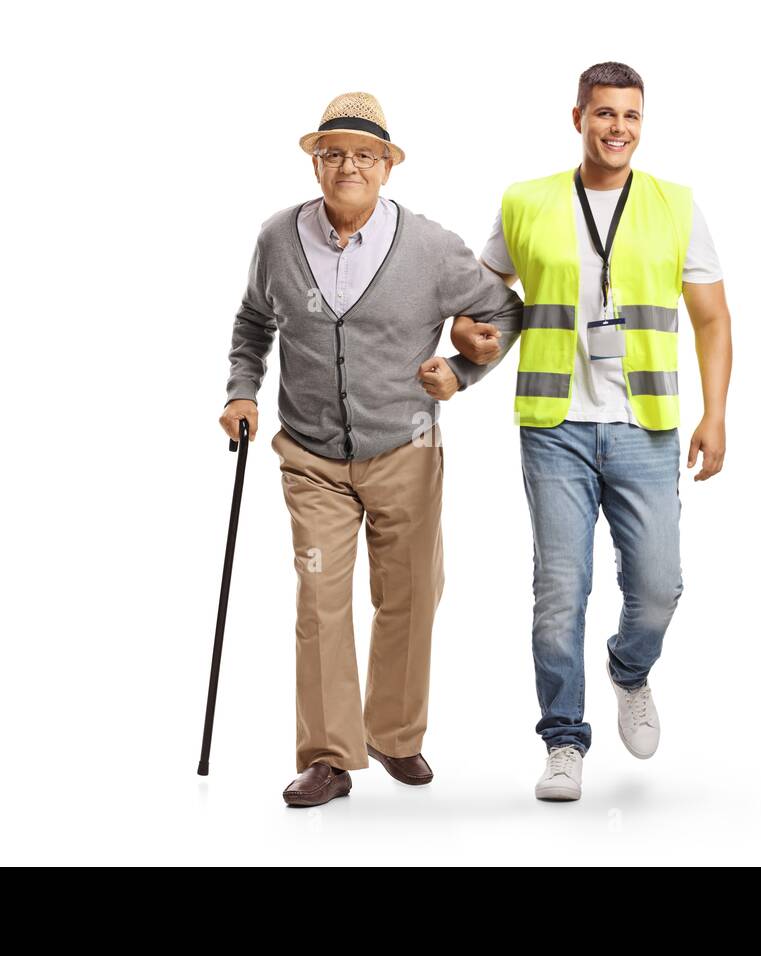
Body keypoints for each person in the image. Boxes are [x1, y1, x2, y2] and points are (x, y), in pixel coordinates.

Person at [220, 92, 522, 807]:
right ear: (315, 163)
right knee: (320, 598)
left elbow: (504, 310)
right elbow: (253, 321)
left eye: (364, 155)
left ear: (388, 167)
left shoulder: (429, 248)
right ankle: (328, 756)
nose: (347, 166)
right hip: (312, 456)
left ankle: (393, 734)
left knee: (412, 595)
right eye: (333, 154)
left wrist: (462, 369)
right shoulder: (276, 239)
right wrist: (241, 391)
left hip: (405, 452)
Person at [451, 62, 732, 801]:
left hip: (646, 425)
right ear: (577, 116)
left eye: (631, 116)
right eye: (604, 114)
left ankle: (630, 670)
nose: (618, 129)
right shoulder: (527, 202)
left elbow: (711, 317)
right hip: (555, 426)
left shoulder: (676, 205)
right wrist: (463, 336)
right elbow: (484, 295)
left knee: (659, 588)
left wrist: (717, 411)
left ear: (643, 122)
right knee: (558, 594)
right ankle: (564, 740)